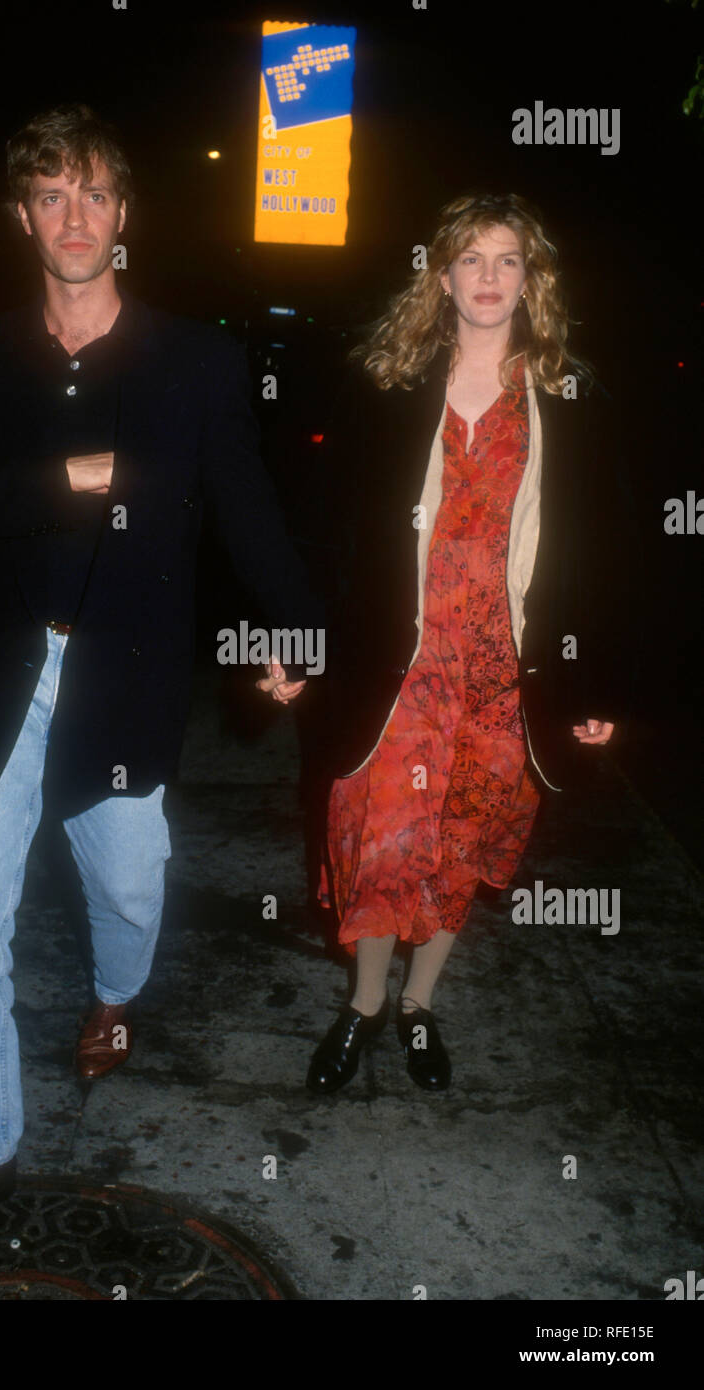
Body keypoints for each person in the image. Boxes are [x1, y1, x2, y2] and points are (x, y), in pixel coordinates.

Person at [0, 103, 317, 1262]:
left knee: (130, 886)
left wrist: (296, 628)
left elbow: (247, 510)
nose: (73, 215)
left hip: (123, 678)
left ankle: (114, 996)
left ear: (123, 214)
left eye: (93, 193)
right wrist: (56, 476)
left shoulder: (195, 362)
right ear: (22, 217)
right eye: (49, 194)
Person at [305, 192, 631, 1097]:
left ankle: (419, 1005)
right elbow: (326, 530)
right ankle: (364, 1005)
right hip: (398, 662)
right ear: (439, 274)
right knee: (379, 838)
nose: (488, 278)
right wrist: (295, 649)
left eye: (507, 261)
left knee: (459, 843)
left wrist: (599, 684)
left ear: (531, 279)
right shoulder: (387, 378)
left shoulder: (570, 391)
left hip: (505, 665)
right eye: (470, 260)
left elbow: (606, 550)